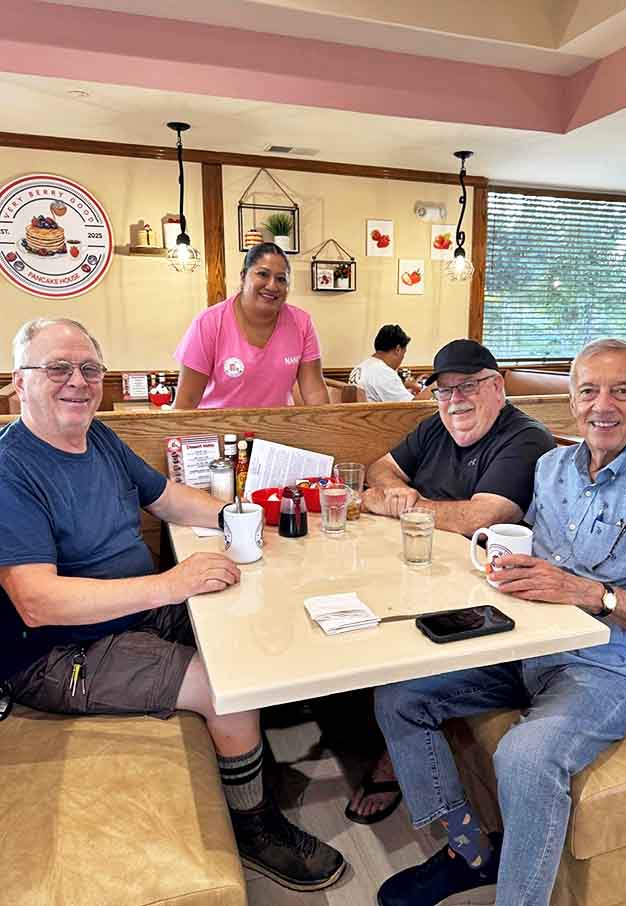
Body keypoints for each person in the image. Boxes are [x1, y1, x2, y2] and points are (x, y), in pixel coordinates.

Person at [0, 317, 345, 893]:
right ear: (19, 380)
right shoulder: (10, 469)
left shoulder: (97, 437)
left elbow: (167, 499)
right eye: (57, 368)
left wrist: (244, 520)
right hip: (58, 652)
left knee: (246, 612)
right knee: (223, 685)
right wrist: (170, 584)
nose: (78, 382)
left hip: (131, 612)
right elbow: (37, 602)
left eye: (89, 369)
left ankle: (250, 747)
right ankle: (255, 829)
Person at [375, 337, 626, 906]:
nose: (602, 405)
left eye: (621, 391)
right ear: (572, 400)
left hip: (610, 669)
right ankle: (469, 852)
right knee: (398, 696)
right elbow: (526, 551)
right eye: (588, 391)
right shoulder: (552, 467)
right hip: (526, 647)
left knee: (522, 756)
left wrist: (592, 594)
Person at [347, 339, 555, 824]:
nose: (455, 399)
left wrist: (397, 506)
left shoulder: (524, 438)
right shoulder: (435, 427)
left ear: (497, 387)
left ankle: (398, 766)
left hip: (484, 596)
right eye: (444, 390)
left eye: (468, 386)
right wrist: (394, 492)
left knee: (390, 658)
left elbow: (481, 517)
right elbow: (381, 468)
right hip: (423, 572)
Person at [173, 243, 330, 409]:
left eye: (281, 279)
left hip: (278, 424)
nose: (272, 285)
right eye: (263, 274)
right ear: (243, 277)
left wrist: (328, 423)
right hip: (217, 424)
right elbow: (187, 400)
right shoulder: (208, 323)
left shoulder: (301, 323)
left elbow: (314, 392)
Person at [349, 324, 425, 401]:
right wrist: (432, 387)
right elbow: (414, 406)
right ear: (398, 350)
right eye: (403, 354)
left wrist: (405, 385)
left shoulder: (360, 367)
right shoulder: (384, 373)